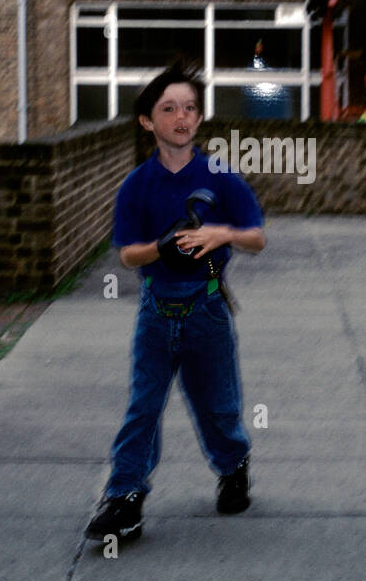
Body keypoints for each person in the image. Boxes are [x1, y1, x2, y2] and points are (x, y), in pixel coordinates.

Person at [86, 63, 266, 543]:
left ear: (200, 118)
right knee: (143, 407)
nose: (182, 117)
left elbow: (256, 238)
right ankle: (125, 498)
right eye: (169, 109)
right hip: (157, 311)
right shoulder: (136, 186)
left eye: (190, 108)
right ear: (148, 121)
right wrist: (160, 248)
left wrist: (221, 233)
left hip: (207, 309)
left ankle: (233, 466)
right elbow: (127, 254)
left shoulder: (221, 177)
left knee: (218, 407)